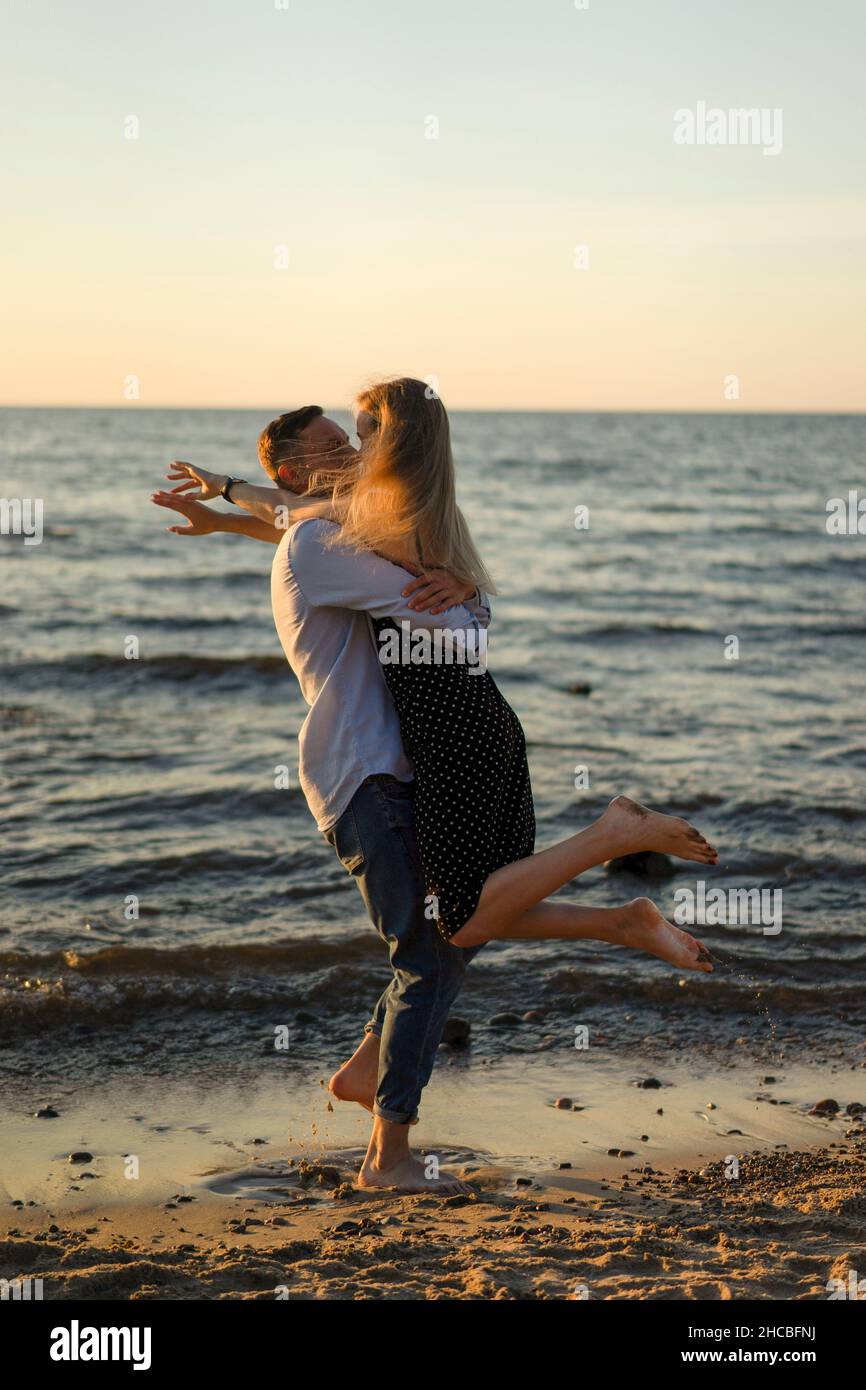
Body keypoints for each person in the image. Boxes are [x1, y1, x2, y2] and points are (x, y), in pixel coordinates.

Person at [153, 382, 718, 1190]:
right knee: (435, 949)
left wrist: (232, 506)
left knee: (458, 928)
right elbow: (441, 620)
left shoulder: (326, 532)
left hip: (401, 771)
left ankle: (367, 1074)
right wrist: (462, 595)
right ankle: (389, 1158)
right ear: (298, 469)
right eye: (333, 449)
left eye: (354, 443)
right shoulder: (318, 546)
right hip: (364, 776)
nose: (352, 457)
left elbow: (306, 520)